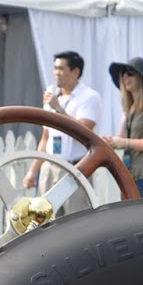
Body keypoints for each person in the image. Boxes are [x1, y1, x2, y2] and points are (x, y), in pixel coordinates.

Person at [23, 50, 102, 192]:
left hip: (75, 168)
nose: (56, 73)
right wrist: (33, 170)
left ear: (75, 72)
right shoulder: (52, 96)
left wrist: (59, 109)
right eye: (55, 68)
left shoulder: (89, 97)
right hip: (50, 166)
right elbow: (46, 137)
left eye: (61, 69)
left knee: (77, 214)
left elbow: (85, 131)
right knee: (47, 213)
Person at [101, 57, 143, 200]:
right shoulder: (129, 109)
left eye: (130, 72)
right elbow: (123, 139)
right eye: (123, 73)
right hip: (128, 175)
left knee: (141, 220)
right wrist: (111, 141)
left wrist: (125, 142)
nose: (125, 76)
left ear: (141, 78)